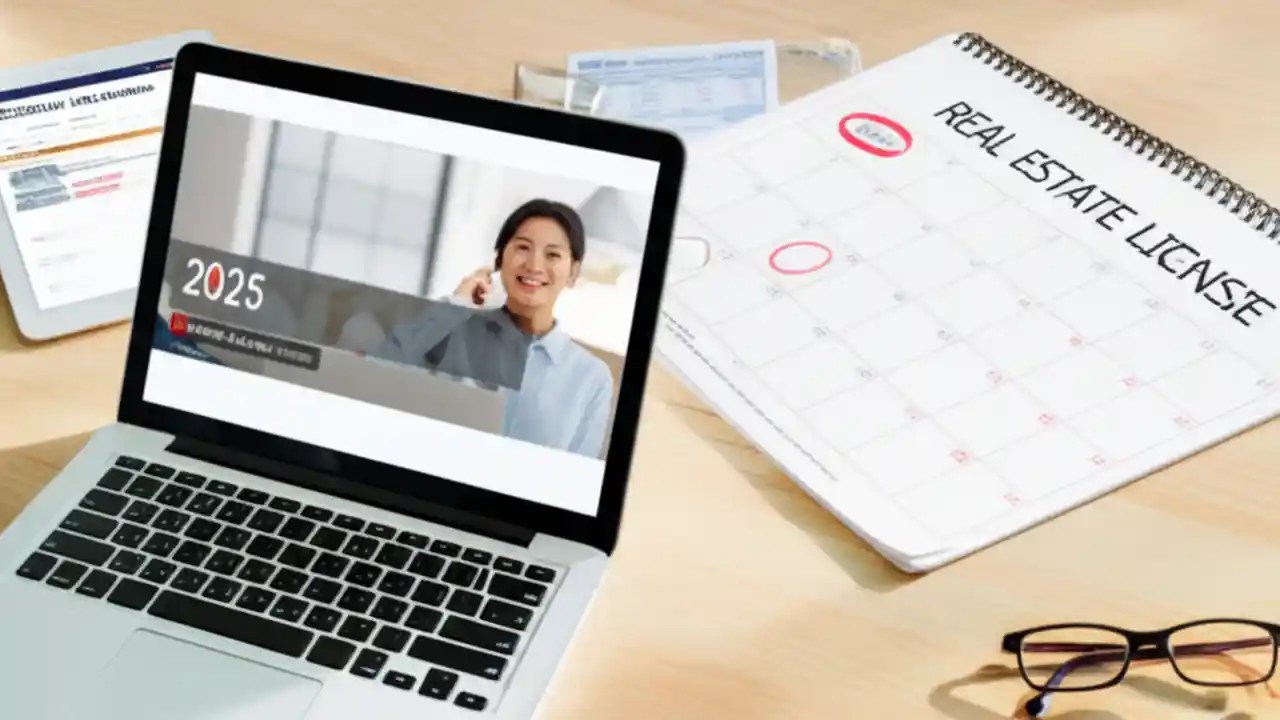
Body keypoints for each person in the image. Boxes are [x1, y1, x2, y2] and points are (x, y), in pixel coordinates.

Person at [379, 198, 614, 458]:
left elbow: (575, 480)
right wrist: (455, 305)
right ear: (500, 259)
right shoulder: (452, 331)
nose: (534, 266)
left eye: (553, 254)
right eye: (523, 247)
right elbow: (377, 369)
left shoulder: (592, 378)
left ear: (573, 272)